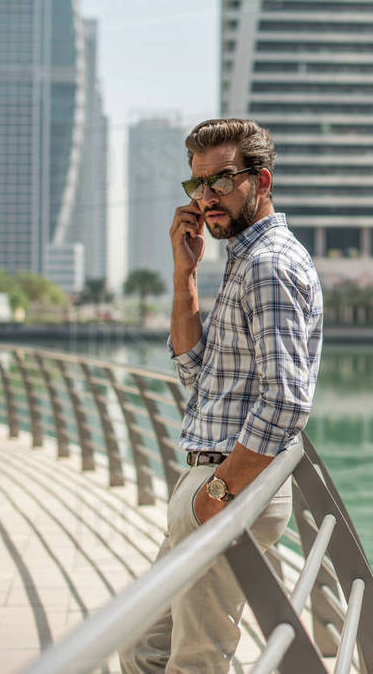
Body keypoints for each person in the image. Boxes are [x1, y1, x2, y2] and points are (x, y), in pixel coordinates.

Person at [121, 118, 323, 673]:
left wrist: (216, 491)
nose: (206, 198)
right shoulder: (240, 260)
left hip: (229, 485)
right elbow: (196, 372)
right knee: (143, 644)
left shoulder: (267, 265)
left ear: (261, 181)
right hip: (211, 482)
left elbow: (285, 401)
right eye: (197, 185)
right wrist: (184, 274)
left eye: (221, 181)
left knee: (197, 661)